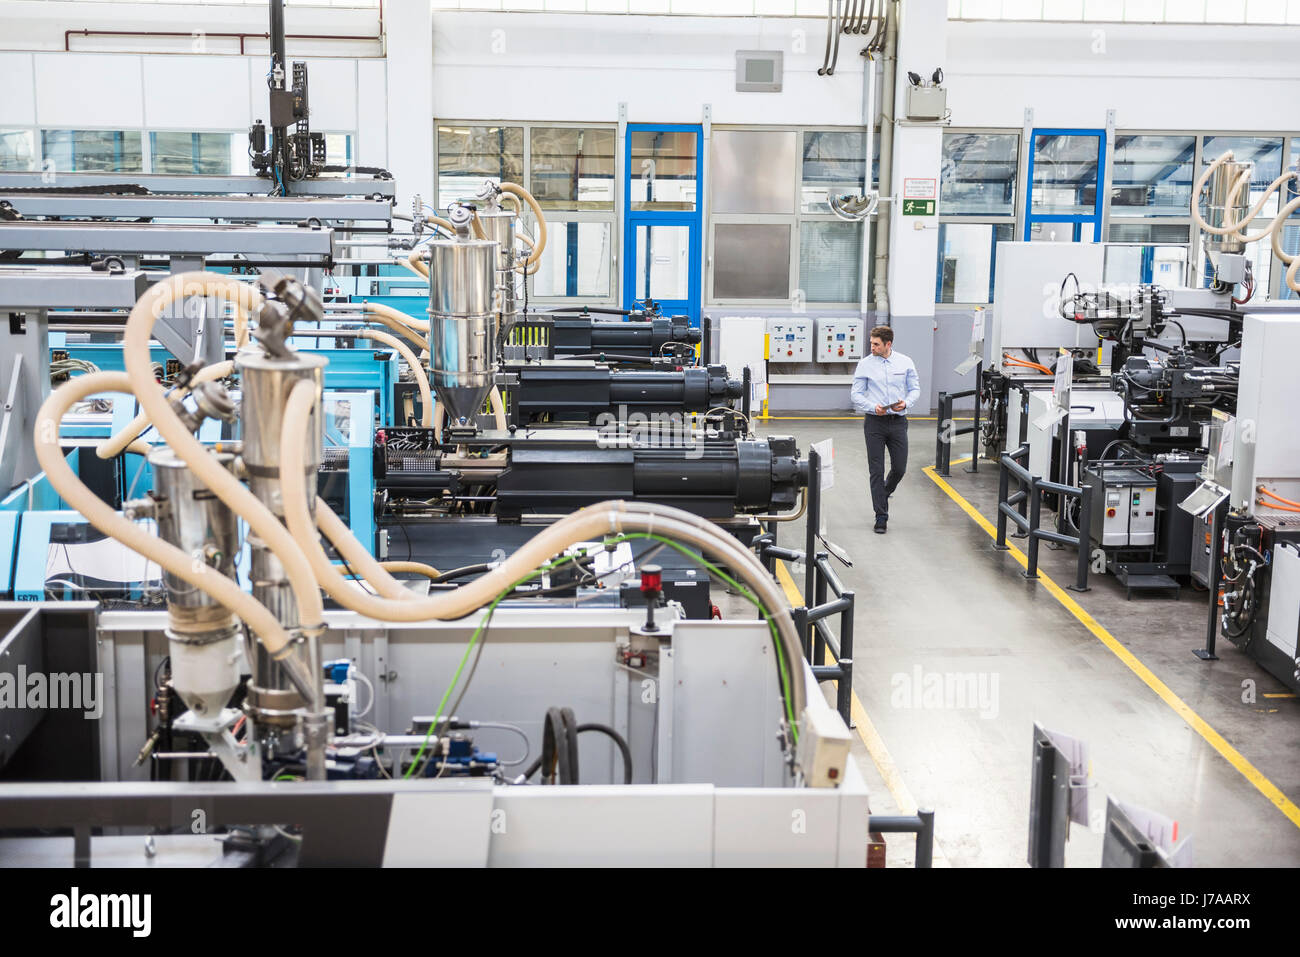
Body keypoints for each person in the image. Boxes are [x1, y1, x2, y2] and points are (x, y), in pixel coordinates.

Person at [850, 325, 921, 534]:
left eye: (876, 344)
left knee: (900, 468)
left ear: (888, 344)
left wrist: (906, 403)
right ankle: (881, 515)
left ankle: (884, 491)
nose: (872, 347)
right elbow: (856, 394)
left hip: (898, 421)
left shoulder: (905, 362)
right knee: (876, 469)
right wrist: (873, 407)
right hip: (874, 423)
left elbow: (915, 388)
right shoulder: (865, 365)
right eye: (871, 343)